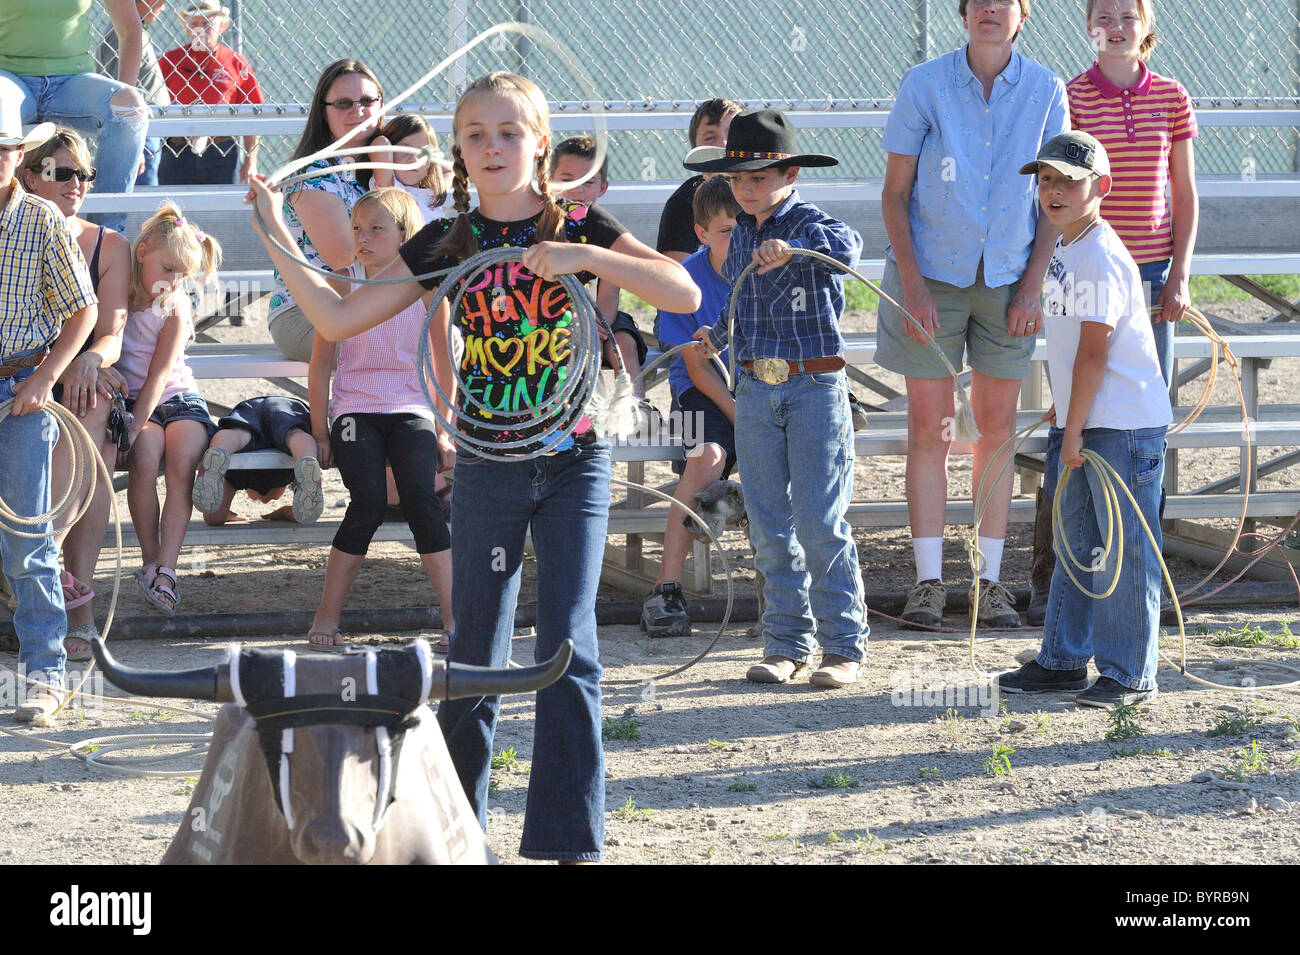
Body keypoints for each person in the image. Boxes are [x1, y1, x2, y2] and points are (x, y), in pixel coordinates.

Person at [248, 71, 699, 863]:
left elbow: (683, 289)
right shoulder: (446, 239)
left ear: (539, 140)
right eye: (475, 135)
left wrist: (581, 255)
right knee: (472, 655)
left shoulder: (579, 222)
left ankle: (569, 844)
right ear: (458, 149)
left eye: (508, 132)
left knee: (568, 645)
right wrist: (271, 232)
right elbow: (337, 314)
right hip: (489, 461)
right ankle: (456, 838)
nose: (492, 148)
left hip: (572, 461)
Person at [876, 0, 1069, 631]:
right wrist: (913, 286)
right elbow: (896, 193)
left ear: (1022, 14)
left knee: (996, 428)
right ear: (962, 14)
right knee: (931, 427)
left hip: (1010, 279)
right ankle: (929, 583)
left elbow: (1054, 201)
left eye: (1004, 0)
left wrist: (1033, 284)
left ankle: (990, 582)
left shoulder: (1045, 90)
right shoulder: (924, 83)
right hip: (931, 275)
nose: (990, 9)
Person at [1027, 0, 1199, 624]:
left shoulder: (1173, 97)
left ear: (1145, 27)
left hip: (1147, 275)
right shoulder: (1072, 95)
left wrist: (1179, 270)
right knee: (1072, 426)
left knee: (1133, 426)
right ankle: (1057, 585)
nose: (1117, 26)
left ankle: (1142, 589)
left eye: (1129, 15)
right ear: (1089, 27)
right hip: (1086, 261)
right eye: (1105, 16)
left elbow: (1182, 189)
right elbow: (1054, 188)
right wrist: (1036, 281)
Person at [688, 108, 868, 689]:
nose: (747, 188)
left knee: (819, 520)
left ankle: (843, 647)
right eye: (739, 178)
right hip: (756, 389)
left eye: (760, 177)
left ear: (790, 175)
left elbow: (849, 245)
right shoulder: (741, 234)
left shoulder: (811, 223)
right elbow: (739, 306)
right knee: (768, 523)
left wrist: (795, 246)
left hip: (814, 385)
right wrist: (713, 337)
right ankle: (786, 645)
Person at [998, 131, 1170, 709]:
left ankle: (1128, 671)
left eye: (1069, 180)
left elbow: (1097, 351)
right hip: (1087, 417)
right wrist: (1064, 409)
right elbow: (1080, 347)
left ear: (1101, 186)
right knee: (1078, 542)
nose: (1054, 190)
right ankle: (1065, 660)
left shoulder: (1096, 253)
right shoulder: (1070, 248)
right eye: (1045, 179)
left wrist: (1070, 429)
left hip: (1116, 424)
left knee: (1121, 549)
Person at [304, 188, 453, 650]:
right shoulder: (342, 284)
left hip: (410, 407)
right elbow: (321, 365)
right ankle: (326, 618)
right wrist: (319, 430)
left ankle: (455, 619)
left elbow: (444, 364)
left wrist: (445, 431)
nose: (363, 238)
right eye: (357, 229)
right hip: (355, 409)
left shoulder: (429, 290)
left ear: (406, 236)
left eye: (376, 229)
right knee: (366, 501)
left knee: (421, 501)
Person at [18, 126, 130, 661]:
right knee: (90, 431)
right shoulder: (14, 231)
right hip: (21, 373)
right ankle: (55, 580)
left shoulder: (109, 244)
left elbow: (112, 332)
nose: (76, 183)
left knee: (95, 408)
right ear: (29, 175)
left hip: (74, 374)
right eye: (63, 173)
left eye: (84, 174)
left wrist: (90, 357)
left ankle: (70, 594)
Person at [0, 108, 98, 723]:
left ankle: (45, 674)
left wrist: (43, 378)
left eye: (5, 147)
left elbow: (82, 311)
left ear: (17, 155)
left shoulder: (39, 220)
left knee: (27, 538)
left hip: (19, 386)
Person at [642, 175, 738, 638]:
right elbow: (698, 371)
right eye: (725, 231)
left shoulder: (764, 272)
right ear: (701, 233)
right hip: (701, 392)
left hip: (760, 385)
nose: (738, 240)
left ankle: (789, 591)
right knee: (707, 457)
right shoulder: (686, 282)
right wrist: (744, 418)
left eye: (745, 228)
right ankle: (666, 588)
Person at [118, 202, 221, 615]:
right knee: (144, 461)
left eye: (181, 274)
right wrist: (132, 424)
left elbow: (161, 375)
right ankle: (149, 559)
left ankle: (168, 569)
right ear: (142, 252)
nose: (173, 281)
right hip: (133, 400)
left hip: (178, 398)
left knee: (181, 468)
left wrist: (133, 423)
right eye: (167, 269)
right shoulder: (119, 293)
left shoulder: (175, 307)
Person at [264, 58, 381, 363]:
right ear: (323, 112)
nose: (358, 111)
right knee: (408, 342)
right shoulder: (313, 175)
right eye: (344, 103)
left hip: (362, 305)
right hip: (307, 313)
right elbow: (348, 257)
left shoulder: (375, 169)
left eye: (368, 100)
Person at [0, 0, 149, 234]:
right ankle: (4, 222)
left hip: (70, 83)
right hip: (11, 78)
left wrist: (129, 140)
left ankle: (106, 232)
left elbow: (130, 29)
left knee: (130, 107)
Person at [552, 134, 653, 417]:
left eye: (588, 182)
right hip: (555, 312)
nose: (577, 190)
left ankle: (633, 406)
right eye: (568, 180)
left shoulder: (603, 228)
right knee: (574, 338)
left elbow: (609, 293)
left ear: (603, 187)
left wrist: (597, 323)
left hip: (602, 311)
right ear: (550, 181)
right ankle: (586, 408)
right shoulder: (544, 225)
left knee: (623, 342)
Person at [157, 1, 264, 185]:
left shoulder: (235, 62)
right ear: (186, 28)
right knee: (173, 209)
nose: (200, 29)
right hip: (177, 150)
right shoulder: (169, 61)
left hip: (220, 150)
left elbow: (253, 113)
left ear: (221, 26)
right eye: (194, 23)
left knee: (219, 210)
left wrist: (250, 161)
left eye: (207, 23)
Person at [192, 395, 323, 526]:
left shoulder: (237, 476)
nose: (265, 501)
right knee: (294, 433)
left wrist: (227, 513)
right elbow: (305, 513)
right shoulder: (297, 473)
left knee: (239, 434)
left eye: (255, 499)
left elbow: (213, 517)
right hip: (286, 408)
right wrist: (285, 512)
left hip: (251, 410)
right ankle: (306, 457)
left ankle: (219, 449)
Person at [656, 97, 741, 263]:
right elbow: (676, 275)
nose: (723, 143)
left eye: (732, 134)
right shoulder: (683, 203)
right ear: (695, 149)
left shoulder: (760, 192)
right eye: (710, 138)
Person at [98, 0, 171, 187]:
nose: (163, 4)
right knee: (139, 193)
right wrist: (130, 143)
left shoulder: (132, 30)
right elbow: (118, 88)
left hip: (145, 126)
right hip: (135, 126)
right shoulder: (121, 34)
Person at [358, 113, 453, 225]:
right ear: (390, 152)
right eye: (404, 150)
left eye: (422, 153)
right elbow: (380, 144)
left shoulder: (430, 194)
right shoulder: (389, 187)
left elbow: (449, 170)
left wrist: (430, 162)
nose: (413, 159)